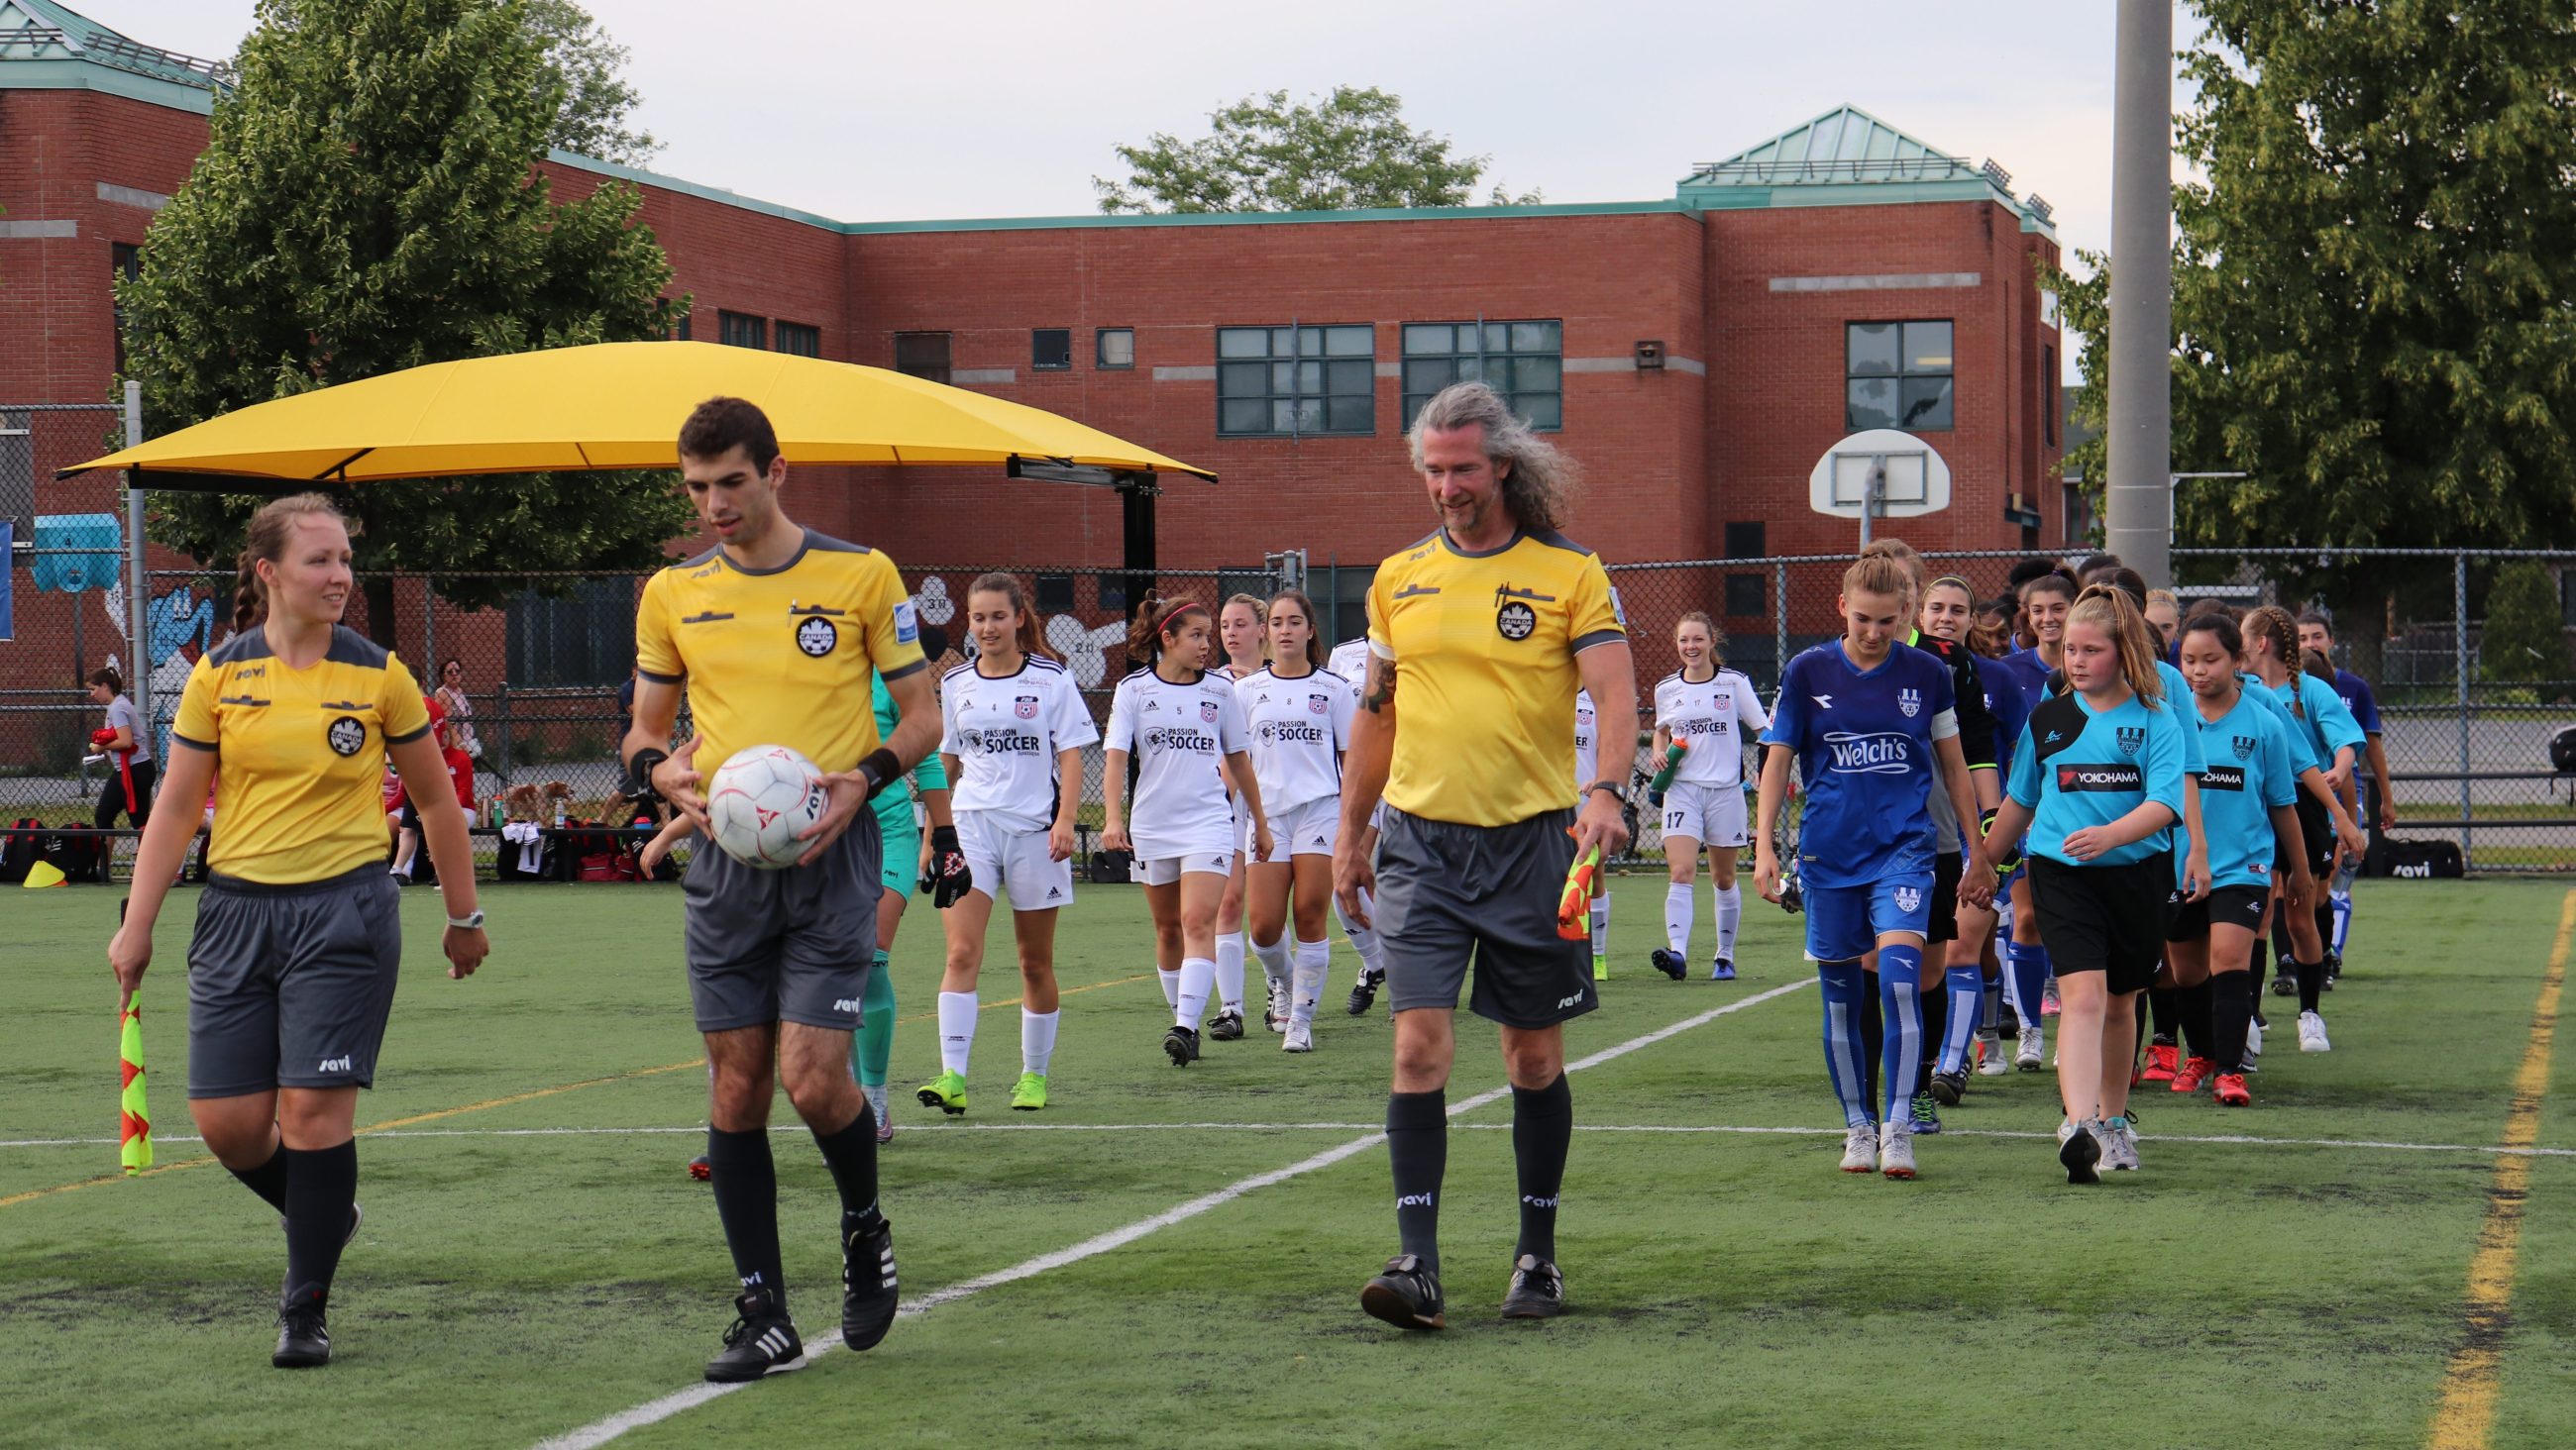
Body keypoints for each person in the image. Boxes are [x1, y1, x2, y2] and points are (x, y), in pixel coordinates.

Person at [106, 491, 488, 1368]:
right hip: (236, 912)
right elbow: (172, 811)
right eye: (320, 561)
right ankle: (328, 1213)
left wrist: (463, 916)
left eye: (346, 560)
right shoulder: (219, 676)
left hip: (344, 915)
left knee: (313, 1114)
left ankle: (304, 1305)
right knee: (229, 1126)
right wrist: (138, 924)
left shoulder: (379, 675)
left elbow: (435, 799)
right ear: (269, 573)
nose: (341, 576)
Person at [621, 396, 938, 1383]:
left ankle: (861, 1225)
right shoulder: (672, 593)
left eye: (730, 483)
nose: (713, 504)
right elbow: (640, 731)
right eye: (696, 488)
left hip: (830, 859)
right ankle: (760, 1308)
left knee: (811, 1078)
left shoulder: (860, 575)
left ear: (775, 472)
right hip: (725, 868)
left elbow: (924, 714)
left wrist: (868, 778)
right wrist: (658, 777)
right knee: (736, 1085)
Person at [1336, 380, 1636, 1329]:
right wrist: (1351, 835)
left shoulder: (1569, 572)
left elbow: (1618, 696)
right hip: (1420, 850)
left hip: (1533, 849)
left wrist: (1606, 791)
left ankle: (1536, 1259)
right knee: (1418, 1044)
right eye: (1433, 469)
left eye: (1463, 468)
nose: (1447, 485)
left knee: (1532, 1057)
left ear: (1503, 464)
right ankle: (1416, 1265)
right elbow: (1376, 716)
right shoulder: (1397, 578)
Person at [1755, 553, 1982, 1181]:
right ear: (1841, 608)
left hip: (1905, 854)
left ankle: (1900, 1123)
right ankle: (1858, 1126)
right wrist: (1766, 844)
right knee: (1840, 998)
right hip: (1829, 858)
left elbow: (1955, 766)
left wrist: (1977, 848)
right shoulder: (1807, 672)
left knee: (1900, 983)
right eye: (1863, 619)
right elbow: (1777, 762)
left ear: (1906, 614)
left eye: (1887, 620)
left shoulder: (1928, 673)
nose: (1875, 632)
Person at [1968, 584, 2187, 1183]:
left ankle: (2114, 1123)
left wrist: (2112, 834)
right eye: (2070, 650)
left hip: (2139, 877)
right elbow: (2019, 801)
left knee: (2122, 1003)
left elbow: (2166, 803)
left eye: (2092, 650)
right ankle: (2080, 1124)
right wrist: (1983, 863)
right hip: (2063, 878)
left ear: (2124, 654)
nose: (2077, 661)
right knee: (2083, 997)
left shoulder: (2156, 719)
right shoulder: (2049, 719)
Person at [920, 579, 1095, 1112]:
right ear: (968, 623)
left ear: (1019, 618)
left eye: (998, 616)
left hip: (1034, 832)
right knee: (961, 951)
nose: (987, 627)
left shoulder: (1051, 678)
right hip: (971, 826)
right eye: (978, 618)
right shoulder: (954, 683)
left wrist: (1065, 820)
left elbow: (1070, 755)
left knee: (1033, 963)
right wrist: (931, 835)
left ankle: (1033, 1076)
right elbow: (946, 763)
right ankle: (953, 1076)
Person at [1102, 594, 1271, 1065]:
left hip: (1208, 823)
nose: (1206, 645)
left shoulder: (1221, 692)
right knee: (1167, 930)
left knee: (1198, 922)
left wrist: (1259, 820)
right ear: (1168, 639)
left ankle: (1186, 1026)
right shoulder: (1133, 690)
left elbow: (1238, 757)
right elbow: (1116, 756)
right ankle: (1185, 1016)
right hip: (1153, 824)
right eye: (1196, 636)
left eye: (1208, 636)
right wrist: (1113, 816)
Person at [2170, 612, 2312, 1107]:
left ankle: (2231, 1070)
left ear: (2238, 661)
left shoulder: (2264, 724)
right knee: (2186, 973)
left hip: (2243, 867)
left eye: (2210, 659)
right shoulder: (2167, 719)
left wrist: (2300, 870)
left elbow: (2282, 805)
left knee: (2228, 958)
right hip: (2178, 866)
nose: (2198, 671)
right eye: (2189, 660)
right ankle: (2202, 1055)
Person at [1237, 588, 1356, 1052]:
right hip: (1266, 818)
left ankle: (1301, 1020)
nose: (1285, 631)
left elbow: (1351, 761)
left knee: (1310, 912)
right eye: (1277, 623)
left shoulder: (1334, 689)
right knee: (1265, 928)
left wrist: (1355, 823)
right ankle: (1283, 982)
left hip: (1320, 811)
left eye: (1294, 622)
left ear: (1310, 630)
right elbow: (1235, 758)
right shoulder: (1245, 691)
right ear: (1266, 632)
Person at [2243, 604, 2364, 1049]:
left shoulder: (2308, 691)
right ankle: (2250, 1015)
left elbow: (2347, 741)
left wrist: (2339, 789)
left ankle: (2310, 1014)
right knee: (2257, 911)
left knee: (2299, 914)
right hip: (2254, 804)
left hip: (2303, 804)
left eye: (2242, 635)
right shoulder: (2239, 691)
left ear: (2260, 643)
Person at [1647, 613, 1768, 983]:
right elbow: (1661, 731)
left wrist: (1764, 770)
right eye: (1684, 641)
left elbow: (1763, 729)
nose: (1691, 647)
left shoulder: (1733, 683)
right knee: (1681, 871)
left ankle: (1724, 956)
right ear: (1676, 643)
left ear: (1712, 641)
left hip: (1725, 792)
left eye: (1698, 640)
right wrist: (1658, 750)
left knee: (1724, 878)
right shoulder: (1667, 688)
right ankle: (1678, 954)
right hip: (1682, 791)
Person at [2299, 610, 2398, 968]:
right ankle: (2300, 952)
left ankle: (2331, 952)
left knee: (2340, 868)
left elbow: (2370, 743)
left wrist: (2386, 796)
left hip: (2343, 790)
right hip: (2299, 792)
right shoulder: (2283, 688)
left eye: (2317, 636)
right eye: (2302, 638)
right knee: (2304, 878)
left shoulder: (2352, 687)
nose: (2310, 644)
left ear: (2331, 641)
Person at [1207, 594, 1270, 1039]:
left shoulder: (1282, 677)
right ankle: (1232, 1010)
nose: (1231, 632)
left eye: (1241, 624)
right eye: (1225, 625)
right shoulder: (1209, 682)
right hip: (1224, 800)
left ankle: (1278, 987)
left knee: (1267, 912)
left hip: (1272, 801)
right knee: (1228, 902)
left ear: (1262, 630)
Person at [1327, 633, 1394, 1011]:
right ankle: (1375, 963)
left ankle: (1414, 973)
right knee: (1350, 874)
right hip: (1369, 773)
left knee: (1412, 881)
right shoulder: (1344, 652)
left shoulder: (1421, 635)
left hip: (1415, 774)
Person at [1572, 685, 1612, 982]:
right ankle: (1560, 956)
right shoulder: (1542, 687)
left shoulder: (1595, 699)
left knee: (1594, 874)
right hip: (1547, 799)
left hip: (1587, 803)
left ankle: (1597, 956)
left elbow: (1609, 748)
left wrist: (1599, 781)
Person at [87, 665, 157, 831]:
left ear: (105, 686)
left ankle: (149, 856)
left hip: (134, 770)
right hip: (131, 770)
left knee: (133, 821)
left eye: (93, 689)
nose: (92, 694)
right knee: (107, 818)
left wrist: (100, 747)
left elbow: (126, 741)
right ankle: (106, 858)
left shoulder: (117, 708)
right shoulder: (118, 705)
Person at [432, 658, 480, 760]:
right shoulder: (443, 693)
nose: (454, 674)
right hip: (454, 745)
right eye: (450, 672)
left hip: (467, 741)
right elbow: (448, 723)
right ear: (444, 676)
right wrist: (460, 746)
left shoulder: (459, 692)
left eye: (457, 671)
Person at [2145, 589, 2183, 663]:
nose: (2159, 635)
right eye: (2151, 627)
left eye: (2166, 627)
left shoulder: (2186, 657)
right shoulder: (2130, 659)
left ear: (2177, 624)